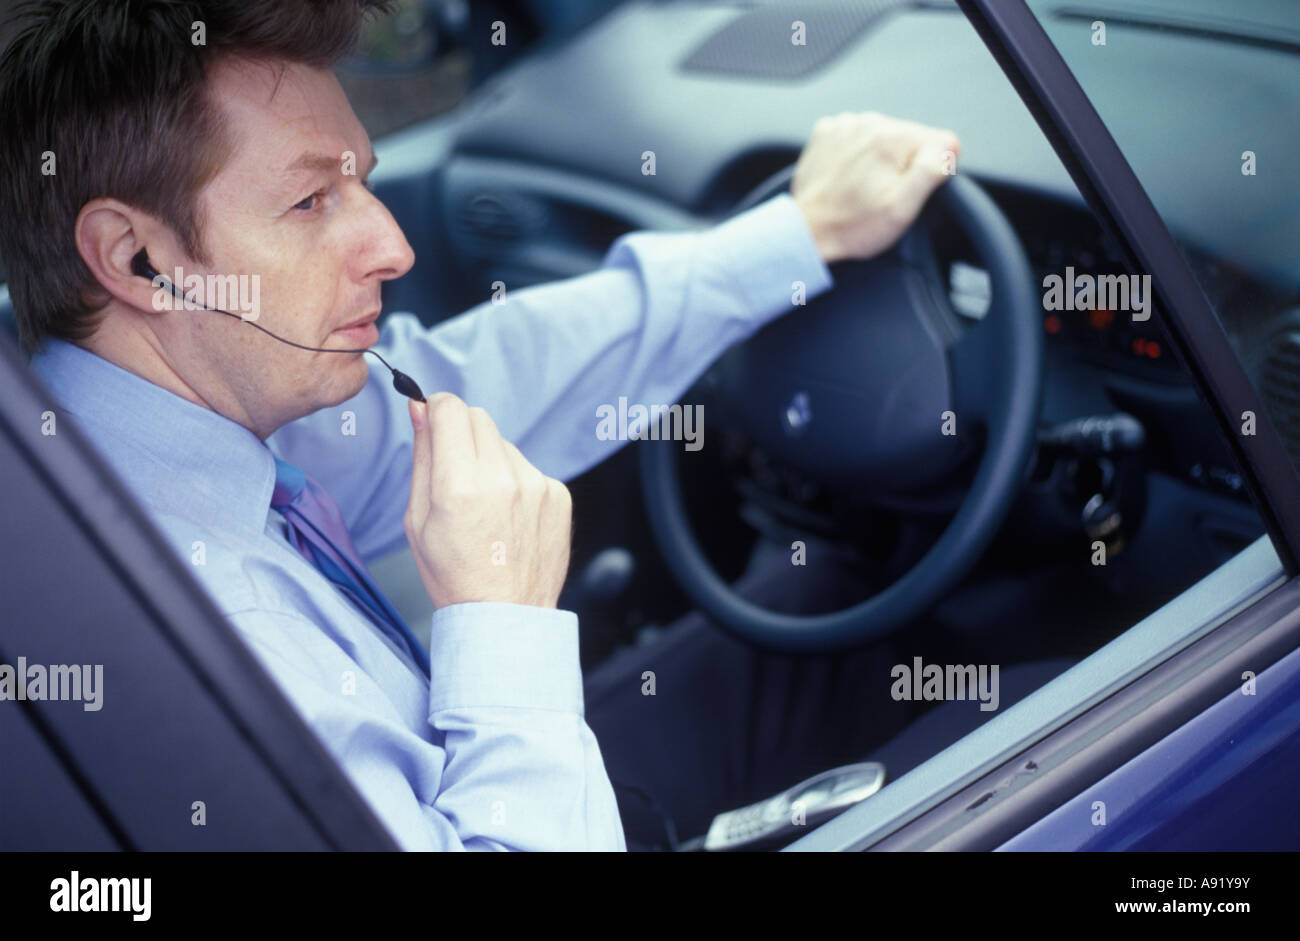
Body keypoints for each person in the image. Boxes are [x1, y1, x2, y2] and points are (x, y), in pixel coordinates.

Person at [0, 0, 959, 850]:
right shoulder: (218, 644)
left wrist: (798, 235)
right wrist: (499, 615)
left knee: (820, 614)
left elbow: (480, 377)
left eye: (362, 182)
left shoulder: (140, 422)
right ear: (135, 258)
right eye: (309, 201)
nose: (394, 245)